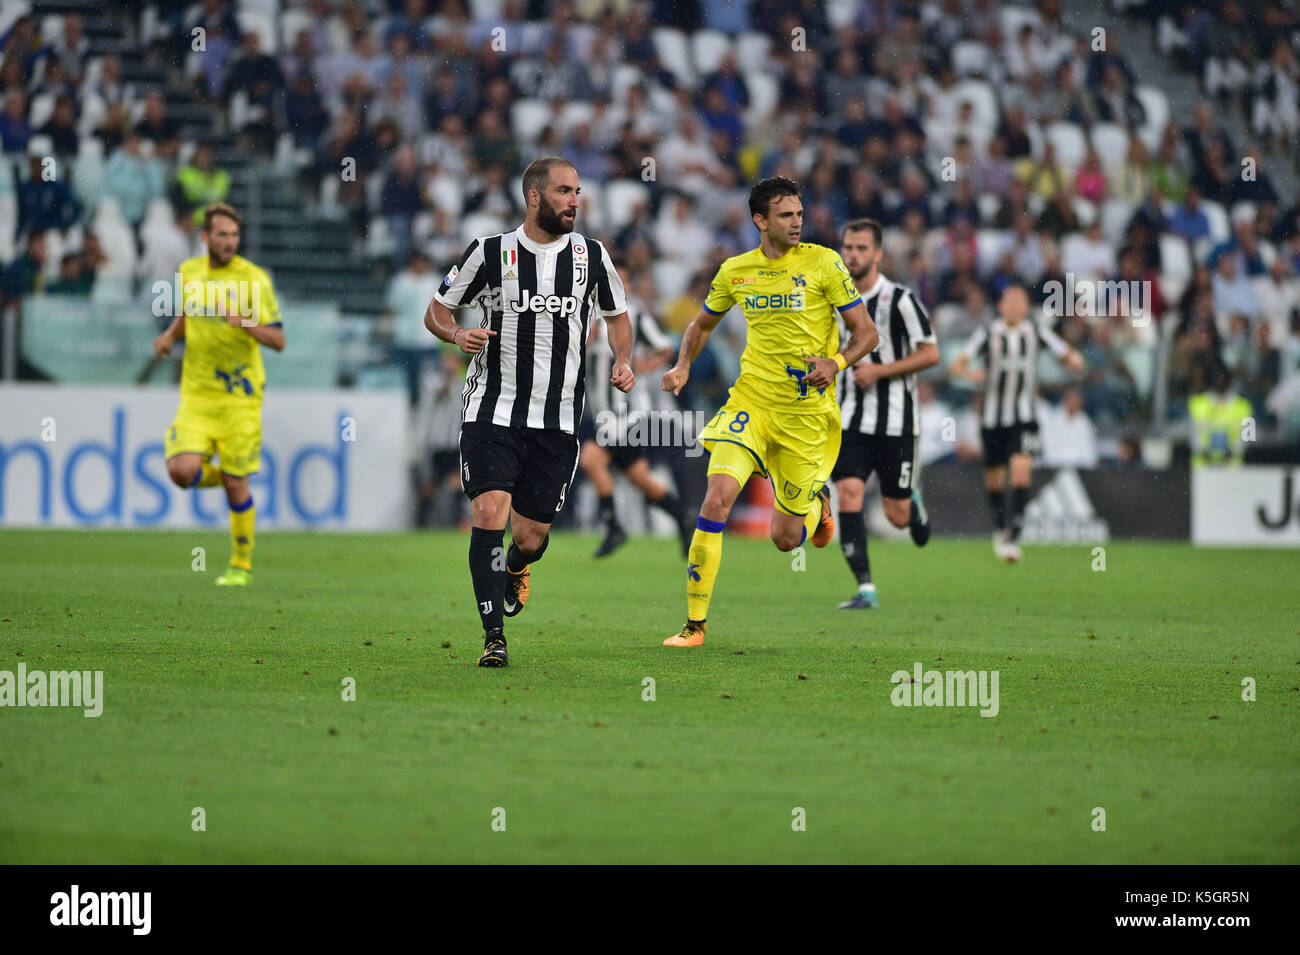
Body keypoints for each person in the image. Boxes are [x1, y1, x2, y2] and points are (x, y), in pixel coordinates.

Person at [423, 157, 634, 668]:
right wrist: (456, 334)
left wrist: (623, 360)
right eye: (564, 191)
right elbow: (436, 309)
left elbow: (617, 317)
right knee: (489, 511)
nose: (575, 201)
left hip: (558, 419)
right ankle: (494, 637)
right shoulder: (490, 252)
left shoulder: (591, 256)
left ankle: (518, 566)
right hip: (491, 409)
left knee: (530, 537)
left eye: (578, 191)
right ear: (534, 197)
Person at [659, 176, 879, 647]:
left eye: (799, 213)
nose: (797, 222)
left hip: (804, 415)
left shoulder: (825, 263)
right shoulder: (736, 270)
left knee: (783, 537)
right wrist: (681, 366)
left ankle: (817, 504)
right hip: (751, 403)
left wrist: (836, 363)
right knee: (715, 498)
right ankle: (694, 625)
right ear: (760, 221)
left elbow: (866, 334)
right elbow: (701, 324)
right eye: (785, 215)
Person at [152, 203, 286, 585]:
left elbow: (278, 340)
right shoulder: (189, 272)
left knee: (235, 484)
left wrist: (242, 320)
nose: (230, 242)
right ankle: (230, 475)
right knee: (181, 471)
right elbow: (187, 314)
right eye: (222, 235)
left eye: (234, 235)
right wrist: (168, 336)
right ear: (205, 237)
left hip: (240, 398)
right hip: (197, 394)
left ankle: (241, 564)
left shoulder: (255, 279)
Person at [832, 218, 938, 609]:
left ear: (878, 254)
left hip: (897, 422)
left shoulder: (901, 300)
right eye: (848, 247)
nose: (853, 254)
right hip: (847, 421)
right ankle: (865, 588)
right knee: (849, 493)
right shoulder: (831, 299)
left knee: (896, 515)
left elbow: (932, 352)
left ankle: (910, 503)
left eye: (861, 248)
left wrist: (880, 370)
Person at [950, 283, 1084, 563]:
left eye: (1019, 302)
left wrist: (1074, 360)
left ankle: (1013, 536)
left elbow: (1066, 352)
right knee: (996, 481)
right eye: (1008, 301)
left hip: (1025, 417)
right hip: (992, 418)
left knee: (1022, 472)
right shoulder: (987, 332)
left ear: (1026, 307)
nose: (1013, 306)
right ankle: (1000, 529)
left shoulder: (1036, 331)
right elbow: (956, 365)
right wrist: (969, 373)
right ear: (1000, 307)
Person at [580, 266, 691, 558]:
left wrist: (643, 365)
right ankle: (682, 517)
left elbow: (666, 348)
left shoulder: (636, 316)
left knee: (591, 460)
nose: (618, 286)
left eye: (624, 280)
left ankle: (614, 526)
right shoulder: (587, 315)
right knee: (640, 478)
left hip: (625, 413)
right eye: (612, 280)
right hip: (601, 411)